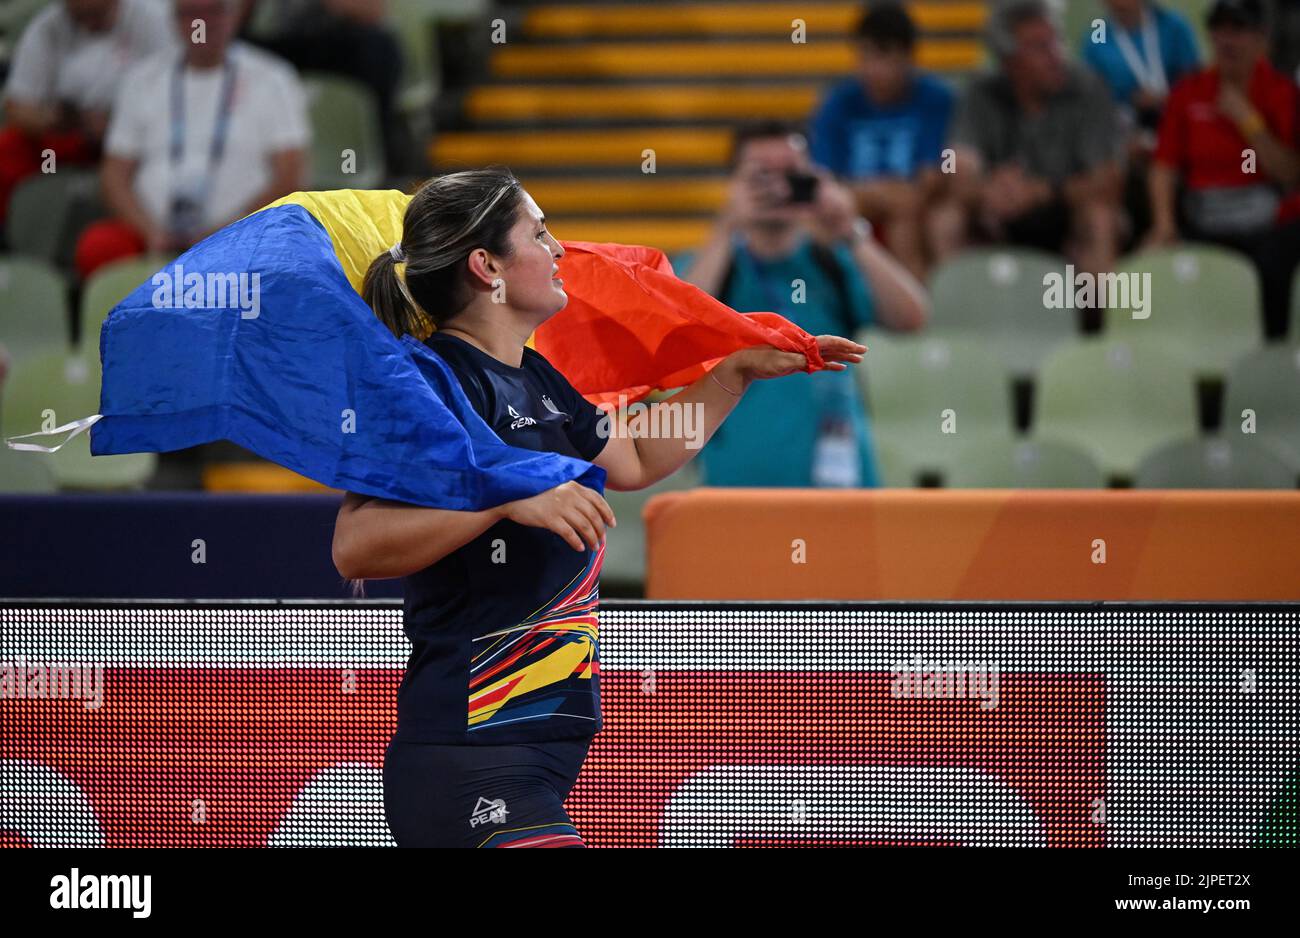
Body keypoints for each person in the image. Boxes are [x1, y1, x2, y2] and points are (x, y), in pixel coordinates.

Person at [329, 169, 866, 847]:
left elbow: (637, 455)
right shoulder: (427, 381)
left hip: (540, 754)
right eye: (540, 232)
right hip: (467, 754)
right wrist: (506, 497)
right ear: (485, 265)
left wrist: (734, 373)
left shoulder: (535, 375)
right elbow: (356, 544)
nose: (559, 250)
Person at [676, 120, 927, 488]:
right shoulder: (712, 264)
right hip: (737, 489)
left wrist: (851, 230)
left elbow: (912, 318)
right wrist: (727, 228)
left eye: (791, 174)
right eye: (761, 176)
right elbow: (678, 327)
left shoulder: (835, 259)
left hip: (841, 486)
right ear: (735, 185)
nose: (778, 188)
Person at [74, 0, 308, 278]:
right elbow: (114, 173)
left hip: (242, 235)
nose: (202, 23)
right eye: (191, 14)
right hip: (152, 235)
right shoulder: (142, 79)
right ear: (174, 20)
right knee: (98, 246)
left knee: (288, 253)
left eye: (214, 11)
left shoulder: (273, 78)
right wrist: (149, 230)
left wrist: (227, 233)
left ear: (235, 15)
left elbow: (290, 177)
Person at [1145, 0, 1300, 339]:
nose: (1226, 40)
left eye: (1238, 30)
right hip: (1204, 218)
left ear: (1261, 39)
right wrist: (1164, 224)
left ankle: (1270, 352)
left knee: (1275, 263)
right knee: (1149, 265)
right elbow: (1164, 166)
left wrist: (1249, 121)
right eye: (1219, 29)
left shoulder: (1281, 92)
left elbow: (1289, 173)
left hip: (1266, 223)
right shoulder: (1189, 91)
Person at [942, 0, 1126, 275]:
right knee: (944, 219)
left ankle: (1098, 315)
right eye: (1041, 47)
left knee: (1100, 218)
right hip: (999, 212)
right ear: (1009, 60)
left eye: (1057, 41)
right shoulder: (980, 92)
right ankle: (956, 310)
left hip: (1066, 211)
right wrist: (986, 192)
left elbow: (1109, 180)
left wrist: (1044, 192)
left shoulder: (1089, 89)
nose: (1057, 55)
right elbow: (954, 165)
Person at [808, 1, 956, 278]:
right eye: (866, 57)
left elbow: (932, 175)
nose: (873, 70)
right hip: (857, 199)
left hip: (910, 204)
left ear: (908, 58)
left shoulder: (935, 98)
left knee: (912, 215)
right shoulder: (838, 103)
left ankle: (918, 307)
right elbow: (825, 177)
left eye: (884, 57)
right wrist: (880, 194)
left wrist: (897, 196)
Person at [0, 0, 175, 227]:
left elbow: (174, 97)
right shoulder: (50, 26)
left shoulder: (151, 21)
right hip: (67, 137)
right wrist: (53, 118)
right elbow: (17, 105)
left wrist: (119, 125)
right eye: (81, 17)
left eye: (96, 16)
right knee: (9, 149)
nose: (89, 24)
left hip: (129, 145)